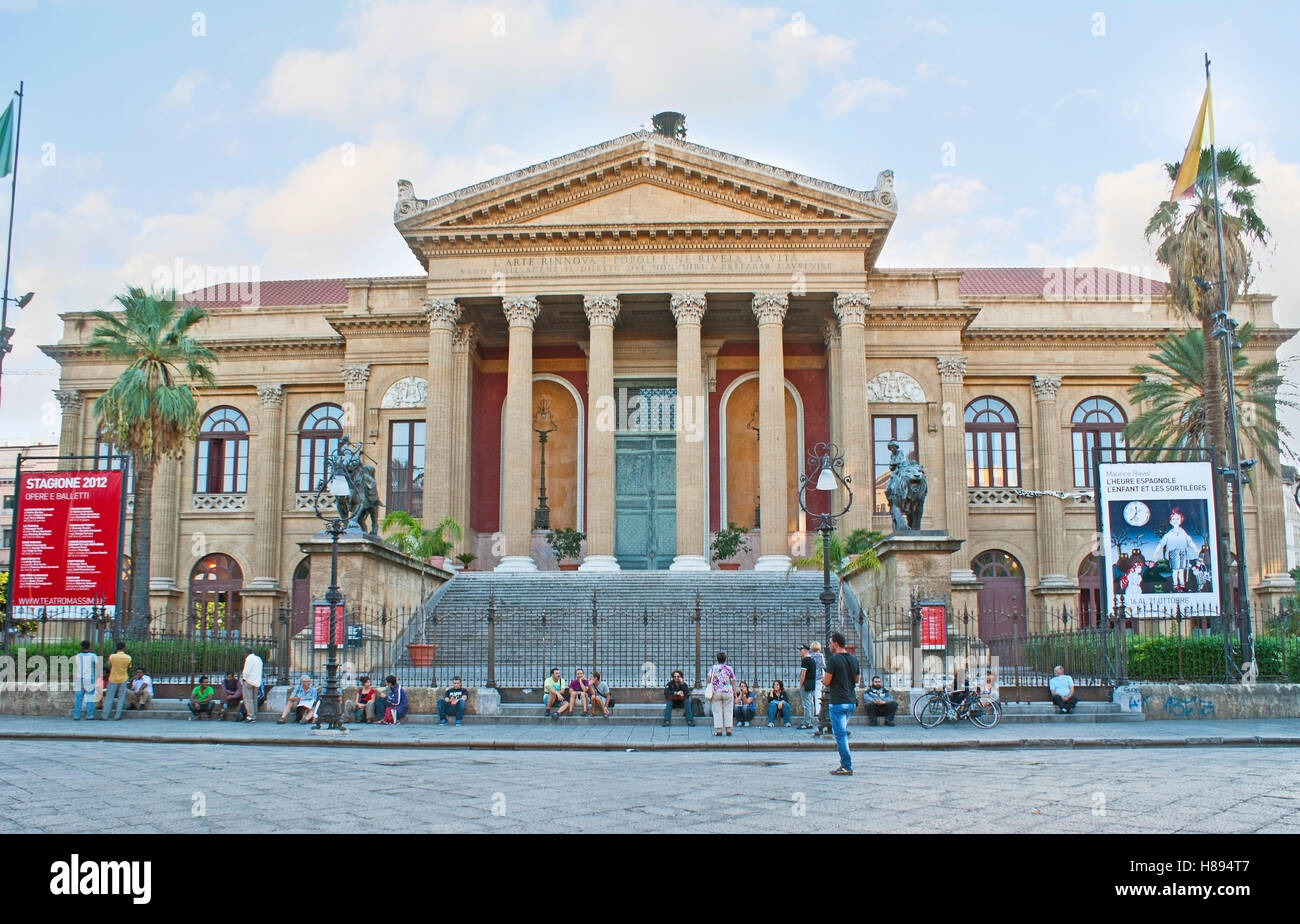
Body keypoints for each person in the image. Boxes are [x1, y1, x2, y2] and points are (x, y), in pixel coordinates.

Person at [823, 631, 861, 776]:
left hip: (838, 701)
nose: (829, 645)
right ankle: (845, 764)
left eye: (831, 642)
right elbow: (857, 680)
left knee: (840, 736)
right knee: (842, 733)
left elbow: (827, 681)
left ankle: (846, 765)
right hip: (851, 701)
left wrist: (823, 680)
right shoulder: (853, 660)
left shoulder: (833, 660)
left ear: (836, 643)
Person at [1154, 507, 1198, 592]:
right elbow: (1161, 543)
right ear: (1170, 521)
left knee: (1182, 569)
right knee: (1175, 570)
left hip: (1183, 552)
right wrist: (1155, 553)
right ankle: (1175, 585)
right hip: (1174, 553)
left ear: (1181, 520)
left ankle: (1182, 585)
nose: (1175, 520)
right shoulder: (1169, 534)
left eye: (1177, 518)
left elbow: (1190, 541)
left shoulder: (1183, 532)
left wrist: (1196, 549)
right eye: (1173, 519)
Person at [706, 652, 737, 737]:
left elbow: (708, 679)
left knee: (717, 711)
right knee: (728, 711)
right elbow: (733, 681)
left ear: (717, 659)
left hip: (716, 691)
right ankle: (728, 730)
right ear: (725, 659)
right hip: (727, 691)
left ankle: (719, 730)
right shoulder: (729, 668)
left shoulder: (713, 668)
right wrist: (735, 692)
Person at [102, 642, 131, 720]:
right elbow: (129, 666)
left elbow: (108, 665)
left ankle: (105, 715)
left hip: (113, 678)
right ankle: (117, 716)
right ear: (124, 648)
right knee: (121, 697)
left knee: (109, 697)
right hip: (124, 678)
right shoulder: (128, 657)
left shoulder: (112, 656)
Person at [72, 640, 98, 720]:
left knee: (78, 698)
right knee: (90, 697)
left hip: (79, 678)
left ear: (81, 647)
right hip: (89, 678)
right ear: (89, 646)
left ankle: (76, 715)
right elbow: (97, 667)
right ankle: (90, 715)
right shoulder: (93, 656)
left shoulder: (77, 656)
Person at [797, 644, 818, 729]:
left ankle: (806, 722)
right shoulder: (812, 660)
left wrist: (801, 684)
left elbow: (803, 674)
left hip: (806, 684)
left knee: (806, 704)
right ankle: (810, 721)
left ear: (805, 650)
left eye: (801, 650)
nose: (800, 652)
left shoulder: (805, 660)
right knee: (811, 703)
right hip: (812, 683)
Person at [240, 647, 263, 723]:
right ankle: (255, 715)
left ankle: (250, 716)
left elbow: (246, 671)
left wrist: (244, 678)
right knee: (255, 699)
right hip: (257, 682)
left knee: (248, 699)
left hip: (249, 681)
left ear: (246, 652)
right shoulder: (258, 659)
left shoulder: (249, 659)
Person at [809, 641, 827, 721]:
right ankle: (817, 711)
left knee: (811, 694)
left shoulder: (810, 656)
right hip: (819, 676)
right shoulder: (820, 655)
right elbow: (822, 665)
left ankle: (811, 710)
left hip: (811, 676)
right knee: (818, 693)